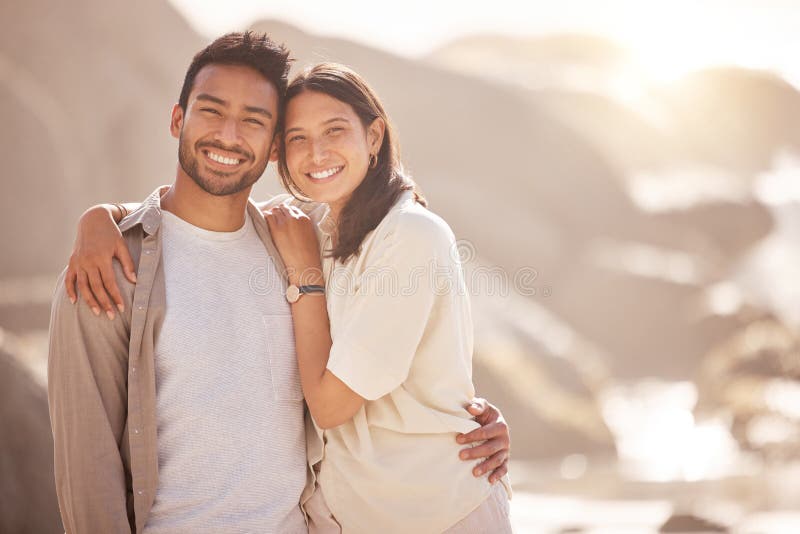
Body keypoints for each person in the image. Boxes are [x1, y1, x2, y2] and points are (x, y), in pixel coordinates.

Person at [49, 32, 510, 534]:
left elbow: (383, 361)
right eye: (211, 111)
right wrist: (102, 216)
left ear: (271, 148)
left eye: (254, 120)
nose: (228, 134)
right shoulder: (110, 268)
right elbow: (86, 460)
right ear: (177, 119)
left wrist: (467, 419)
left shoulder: (298, 245)